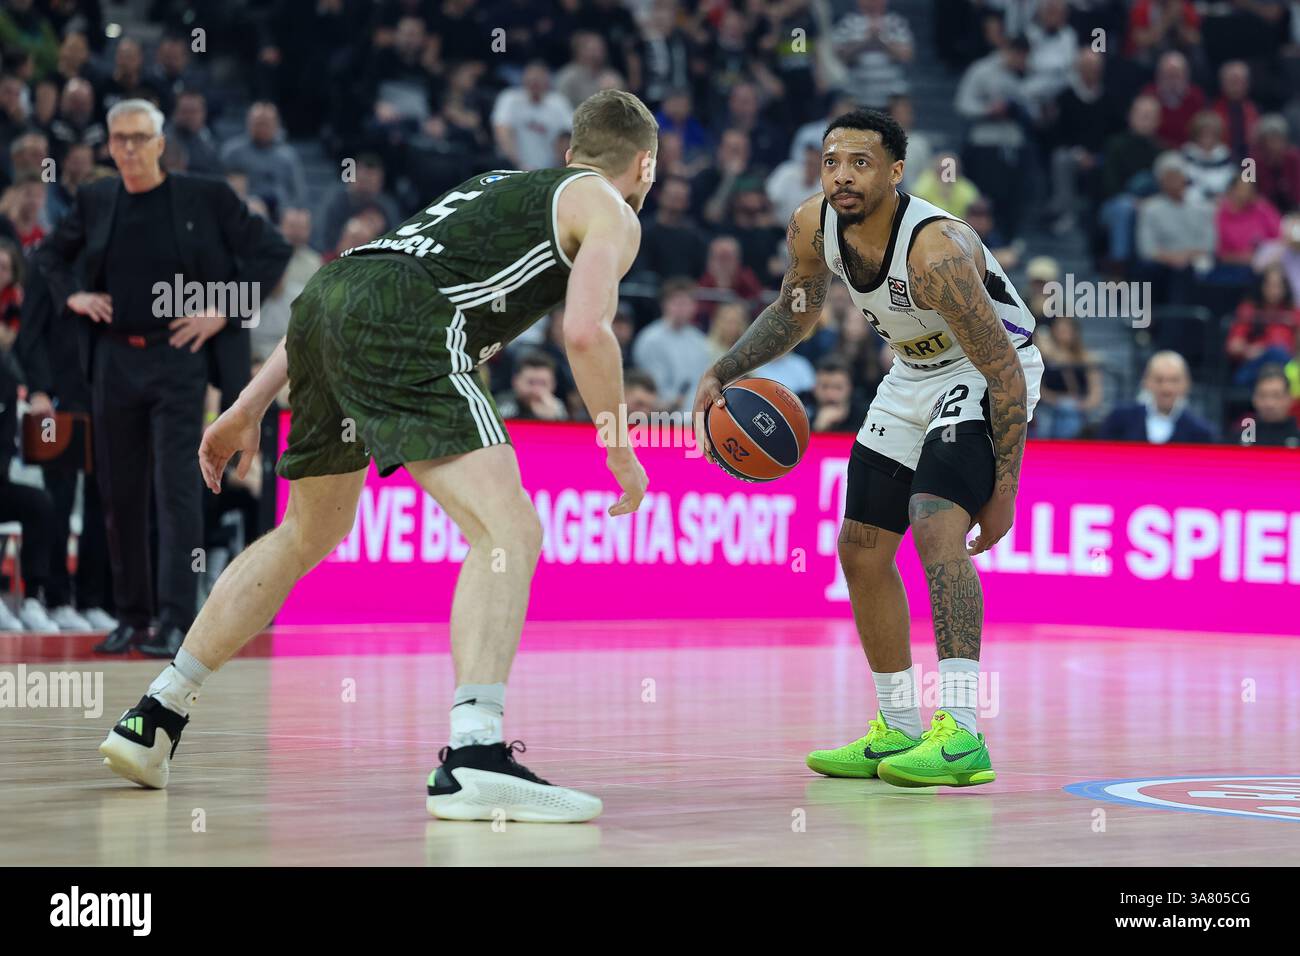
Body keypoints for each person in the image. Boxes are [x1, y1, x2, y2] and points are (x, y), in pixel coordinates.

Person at [97, 90, 659, 826]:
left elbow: (356, 282)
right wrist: (620, 448)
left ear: (568, 151)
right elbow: (585, 333)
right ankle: (474, 754)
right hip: (411, 321)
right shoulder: (613, 209)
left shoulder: (492, 183)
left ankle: (156, 716)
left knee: (308, 532)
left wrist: (247, 405)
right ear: (644, 164)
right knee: (510, 531)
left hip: (326, 300)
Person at [693, 109, 1043, 789]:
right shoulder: (811, 225)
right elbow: (797, 310)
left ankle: (964, 734)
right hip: (912, 372)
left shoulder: (934, 251)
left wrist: (1004, 495)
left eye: (859, 162)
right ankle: (898, 726)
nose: (843, 175)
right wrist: (726, 368)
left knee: (934, 517)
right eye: (831, 161)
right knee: (860, 546)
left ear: (893, 171)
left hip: (986, 368)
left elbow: (1002, 368)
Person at [32, 99, 292, 657]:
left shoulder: (205, 196)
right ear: (108, 143)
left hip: (179, 361)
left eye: (137, 138)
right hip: (114, 362)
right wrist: (72, 296)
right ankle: (131, 615)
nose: (126, 148)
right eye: (117, 138)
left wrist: (220, 308)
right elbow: (48, 257)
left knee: (176, 491)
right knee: (118, 492)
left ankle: (177, 619)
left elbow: (273, 251)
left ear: (158, 143)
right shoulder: (98, 199)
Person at [1097, 350, 1214, 443]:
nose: (1166, 388)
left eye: (1174, 380)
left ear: (1186, 384)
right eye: (1159, 380)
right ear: (1146, 382)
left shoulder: (1201, 432)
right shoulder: (1119, 419)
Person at [1234, 366, 1300, 447]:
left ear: (1289, 399)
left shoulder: (1297, 437)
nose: (1269, 403)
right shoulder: (1239, 440)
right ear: (1254, 398)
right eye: (1263, 395)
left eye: (1276, 396)